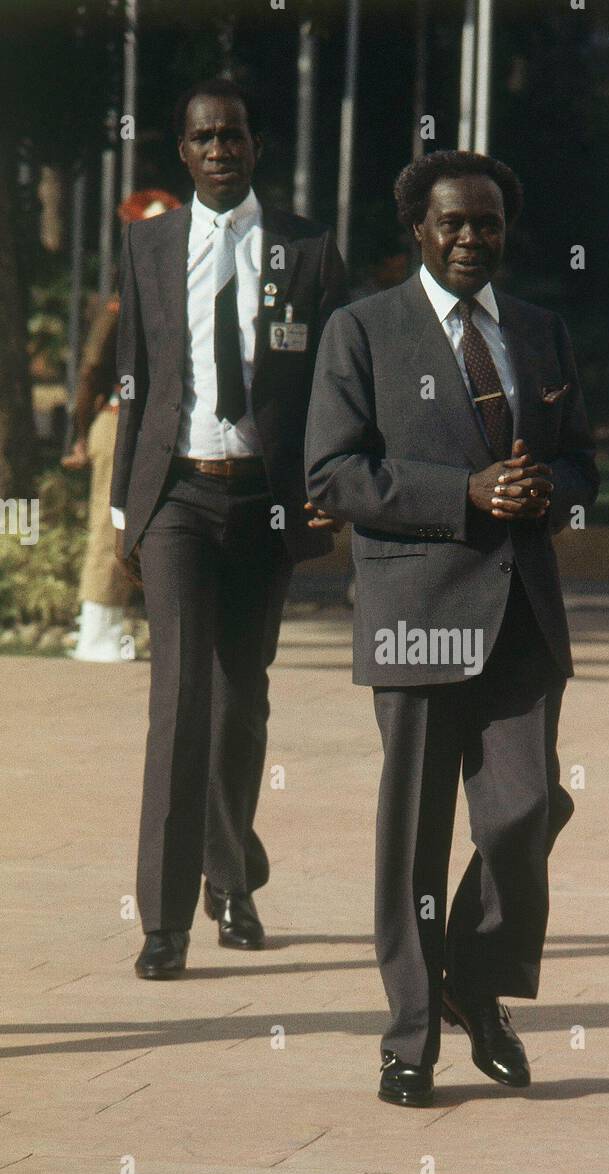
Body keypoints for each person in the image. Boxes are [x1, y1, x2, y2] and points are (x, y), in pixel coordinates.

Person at [305, 150, 598, 1106]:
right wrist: (465, 493)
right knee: (416, 836)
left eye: (488, 223)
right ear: (418, 231)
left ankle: (476, 978)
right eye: (453, 224)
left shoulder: (543, 333)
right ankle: (409, 1038)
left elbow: (583, 465)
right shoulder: (363, 330)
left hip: (522, 617)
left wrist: (552, 490)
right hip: (415, 615)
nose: (472, 239)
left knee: (526, 809)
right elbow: (333, 475)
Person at [110, 78, 345, 980]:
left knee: (242, 698)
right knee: (180, 701)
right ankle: (164, 920)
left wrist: (331, 480)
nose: (219, 149)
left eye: (234, 136)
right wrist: (126, 512)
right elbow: (137, 375)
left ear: (255, 146)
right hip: (175, 498)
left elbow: (335, 382)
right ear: (183, 149)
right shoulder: (149, 243)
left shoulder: (307, 249)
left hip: (265, 501)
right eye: (204, 136)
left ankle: (230, 875)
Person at [62, 190, 180, 661]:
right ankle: (97, 631)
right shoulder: (121, 305)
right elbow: (91, 368)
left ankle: (118, 626)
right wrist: (78, 431)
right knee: (108, 522)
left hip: (158, 427)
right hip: (117, 423)